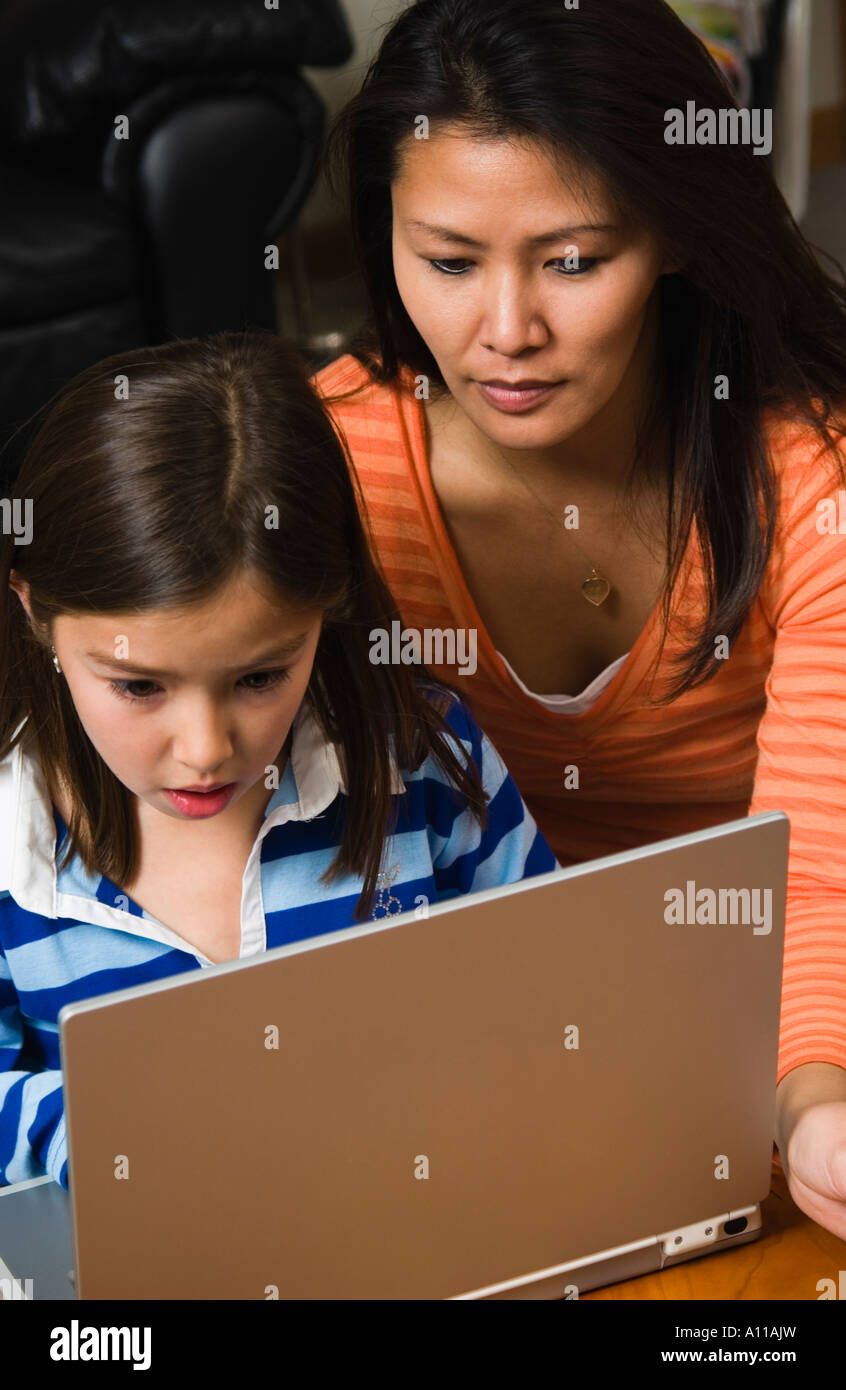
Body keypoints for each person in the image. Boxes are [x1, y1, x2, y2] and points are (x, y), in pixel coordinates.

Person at [313, 0, 846, 1239]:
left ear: (668, 232)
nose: (506, 333)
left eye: (571, 261)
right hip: (461, 1023)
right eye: (447, 262)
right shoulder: (322, 477)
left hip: (775, 990)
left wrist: (814, 1106)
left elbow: (817, 872)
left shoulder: (811, 484)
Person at [0, 330, 556, 1189]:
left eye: (261, 675)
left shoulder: (423, 761)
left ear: (327, 612)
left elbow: (559, 995)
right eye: (140, 686)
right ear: (37, 616)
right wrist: (87, 1129)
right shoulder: (12, 849)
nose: (208, 750)